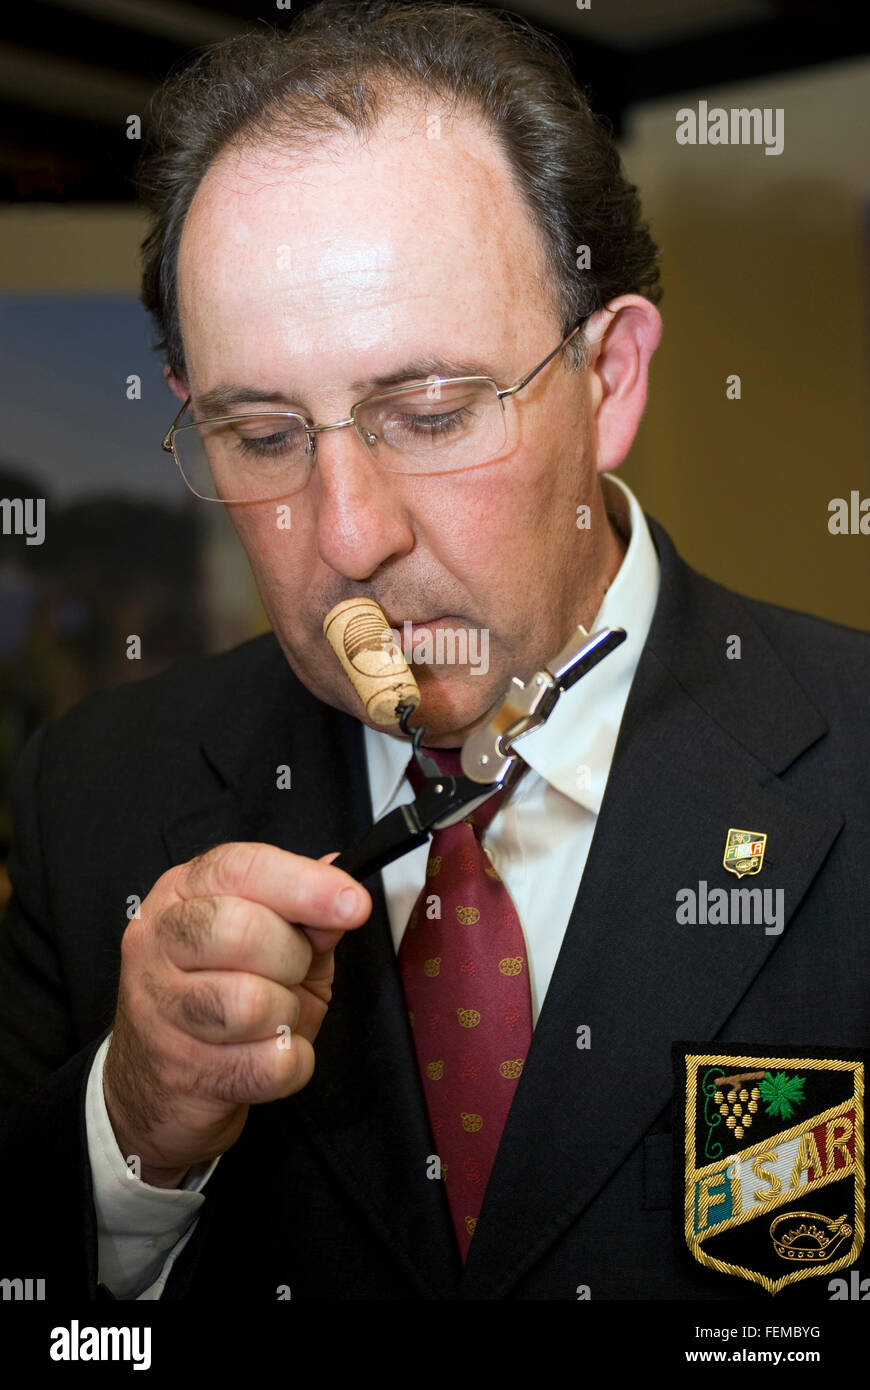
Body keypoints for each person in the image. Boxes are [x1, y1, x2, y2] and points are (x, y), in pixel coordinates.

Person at [0, 0, 866, 1303]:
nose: (347, 536)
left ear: (609, 377)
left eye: (430, 411)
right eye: (263, 435)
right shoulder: (93, 794)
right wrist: (134, 1133)